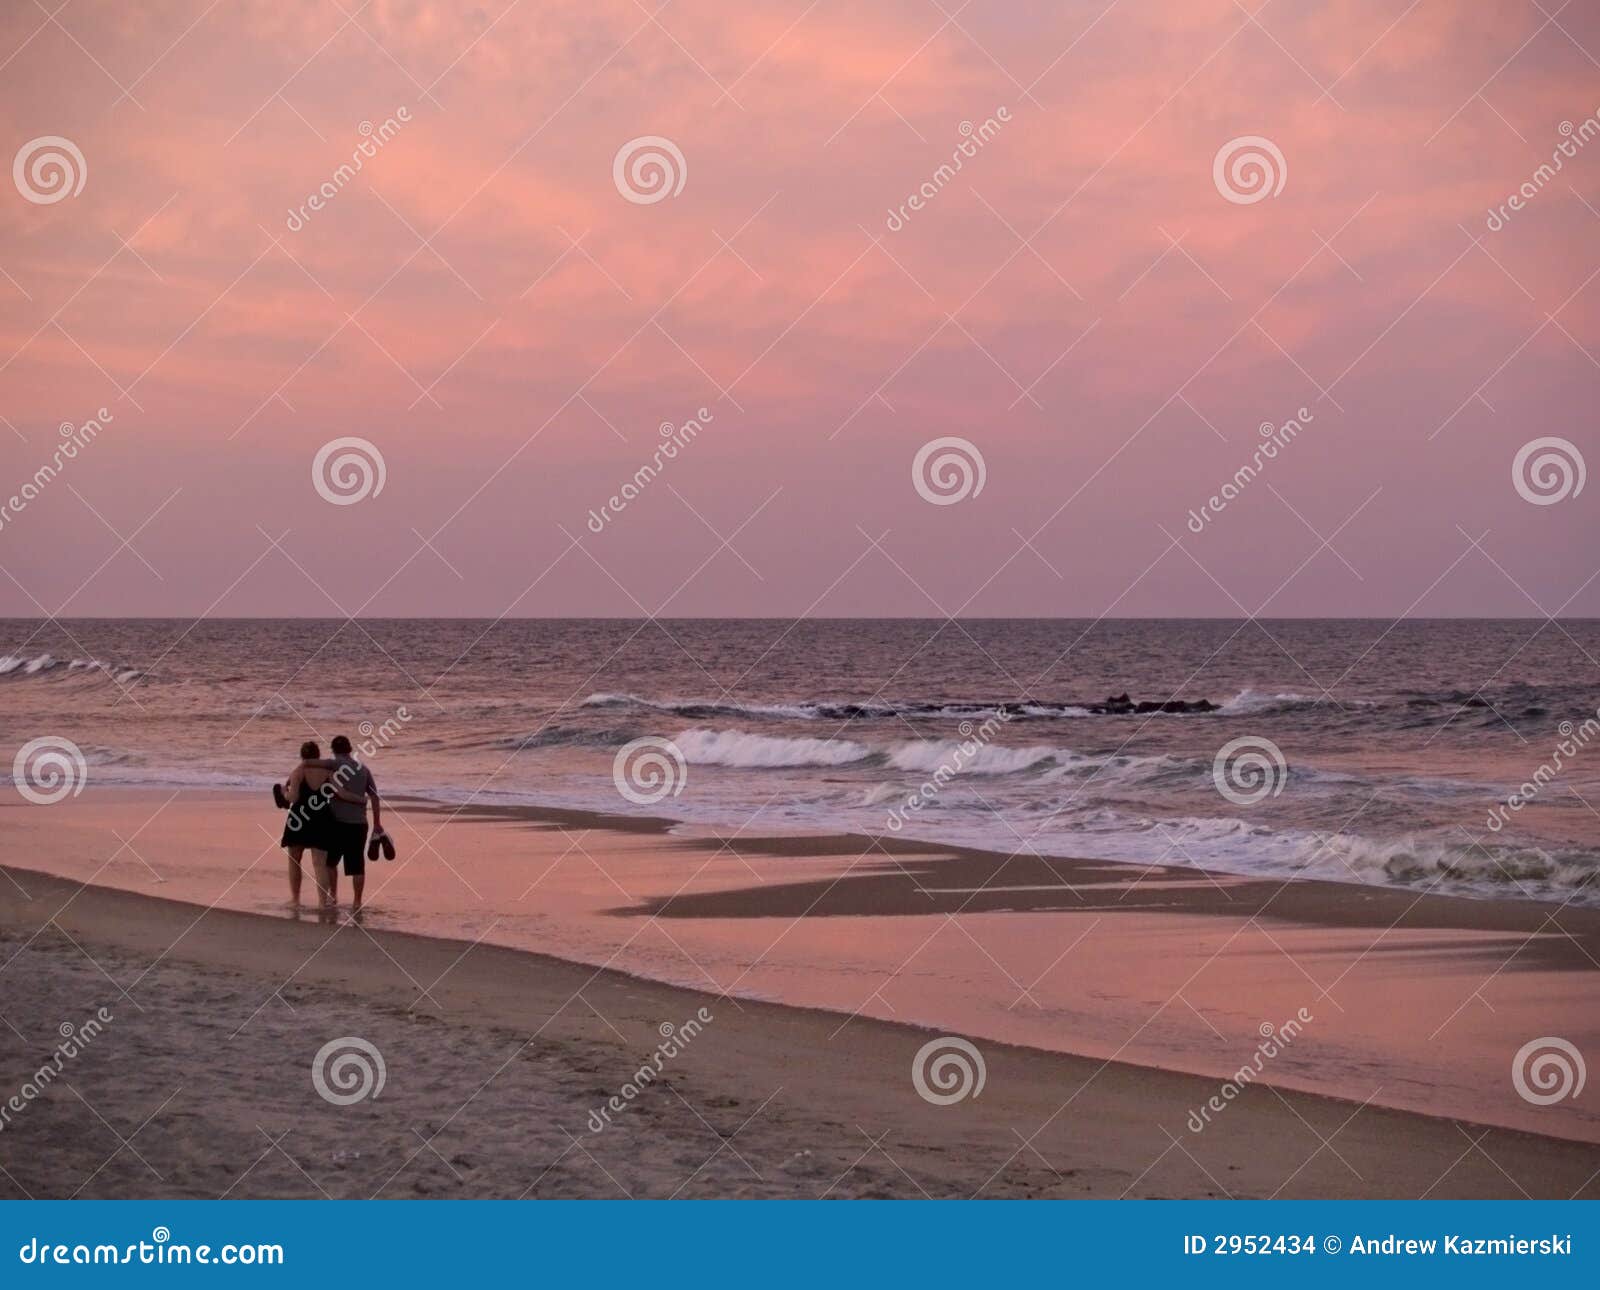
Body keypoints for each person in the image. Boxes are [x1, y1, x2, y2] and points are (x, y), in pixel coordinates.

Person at [320, 734, 382, 913]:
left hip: (337, 822)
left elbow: (314, 770)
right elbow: (374, 797)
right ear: (349, 749)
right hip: (359, 823)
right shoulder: (363, 769)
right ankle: (357, 902)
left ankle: (333, 896)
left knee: (331, 862)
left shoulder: (333, 766)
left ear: (333, 750)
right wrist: (377, 823)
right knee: (357, 864)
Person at [279, 741, 335, 907]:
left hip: (299, 818)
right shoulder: (328, 771)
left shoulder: (299, 771)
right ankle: (322, 903)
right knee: (320, 863)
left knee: (294, 859)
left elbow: (293, 798)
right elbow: (335, 793)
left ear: (302, 756)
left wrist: (283, 792)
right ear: (318, 755)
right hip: (322, 818)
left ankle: (296, 899)